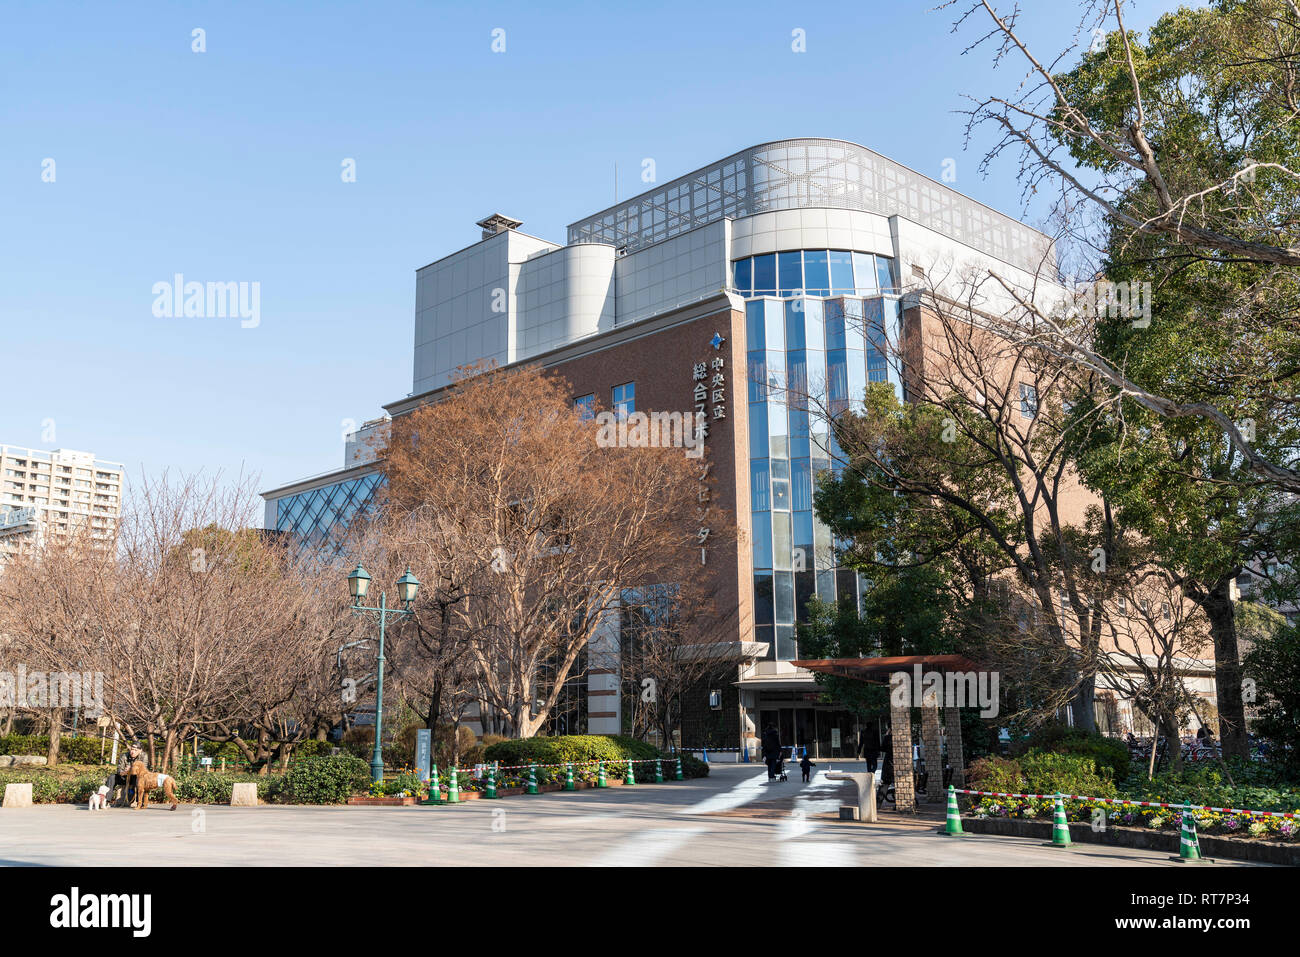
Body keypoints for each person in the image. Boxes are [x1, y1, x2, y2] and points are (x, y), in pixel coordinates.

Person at [111, 743, 147, 807]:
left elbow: (143, 771)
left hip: (136, 777)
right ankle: (106, 800)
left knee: (140, 780)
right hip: (124, 777)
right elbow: (119, 770)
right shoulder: (124, 755)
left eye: (135, 750)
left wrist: (131, 770)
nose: (132, 752)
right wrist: (125, 772)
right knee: (112, 777)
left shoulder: (144, 756)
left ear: (140, 751)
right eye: (132, 749)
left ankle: (140, 802)